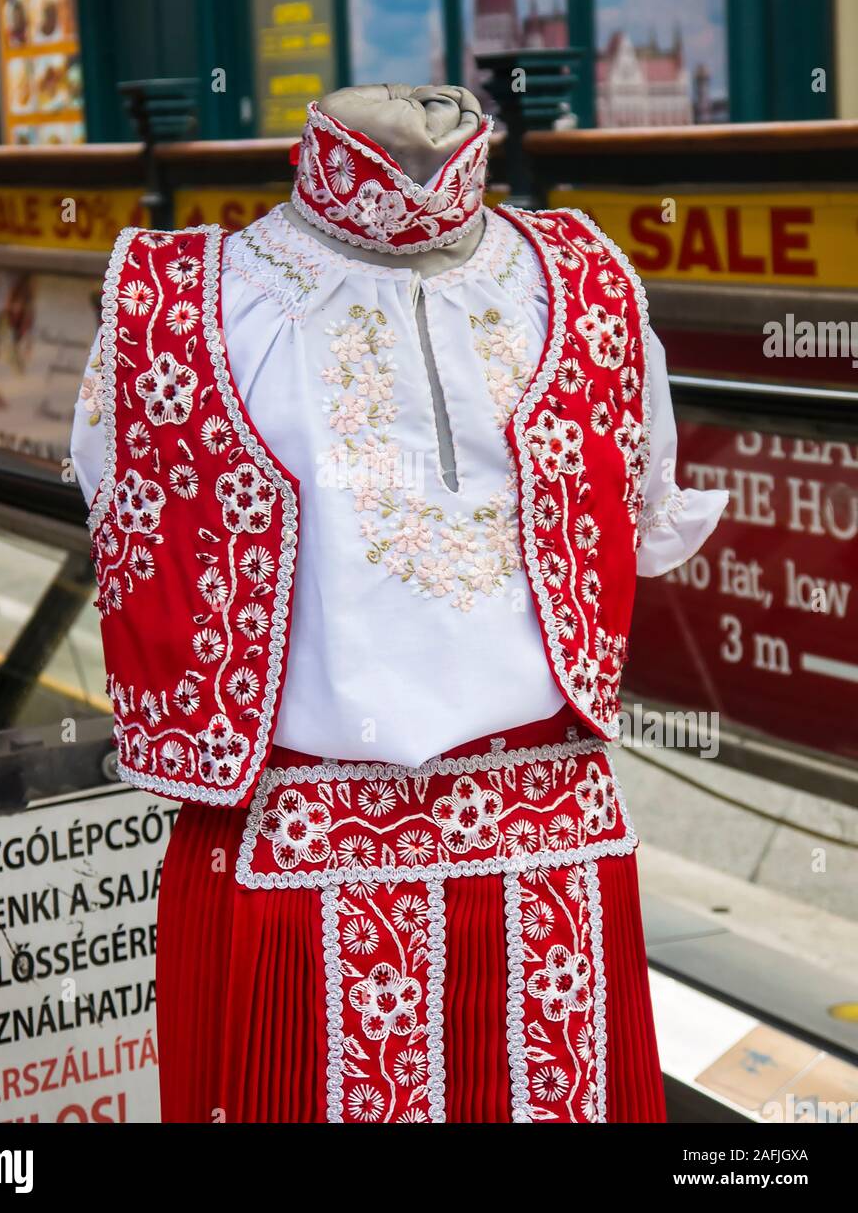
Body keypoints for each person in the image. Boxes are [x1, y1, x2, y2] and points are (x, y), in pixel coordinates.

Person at [70, 85, 728, 1123]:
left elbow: (642, 518)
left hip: (551, 855)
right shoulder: (175, 302)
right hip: (291, 859)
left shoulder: (590, 284)